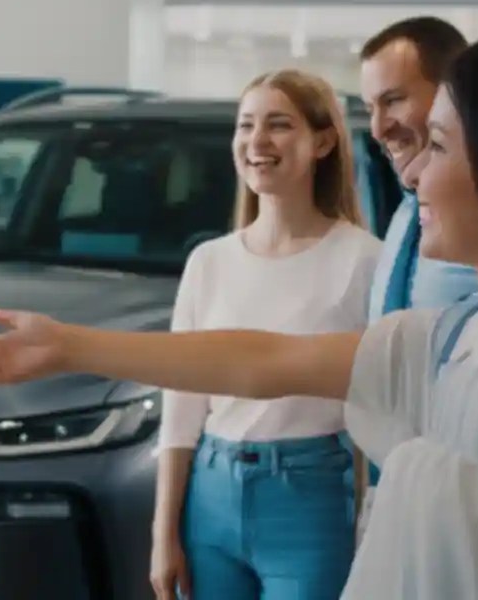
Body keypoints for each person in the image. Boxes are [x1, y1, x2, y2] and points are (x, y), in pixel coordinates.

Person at [0, 28, 478, 598]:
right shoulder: (454, 340)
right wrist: (67, 346)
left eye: (441, 146)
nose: (414, 170)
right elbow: (259, 359)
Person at [149, 70, 380, 600]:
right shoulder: (208, 261)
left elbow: (379, 409)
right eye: (246, 125)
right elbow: (181, 410)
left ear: (322, 141)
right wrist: (164, 534)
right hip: (210, 498)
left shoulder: (364, 258)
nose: (257, 142)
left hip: (313, 499)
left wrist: (372, 523)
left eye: (279, 125)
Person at [359, 16, 478, 323]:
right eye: (370, 109)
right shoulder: (405, 215)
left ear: (449, 94)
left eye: (394, 100)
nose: (377, 129)